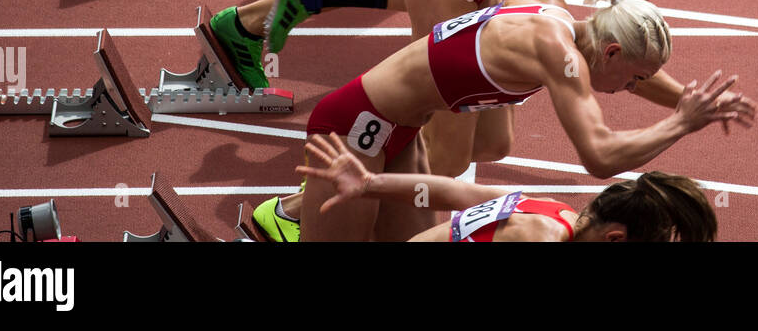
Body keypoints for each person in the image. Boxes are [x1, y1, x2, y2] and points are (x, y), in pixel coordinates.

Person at [272, 0, 752, 241]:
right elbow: (600, 157)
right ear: (608, 53)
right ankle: (285, 215)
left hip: (400, 133)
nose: (627, 89)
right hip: (357, 125)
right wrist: (682, 120)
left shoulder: (550, 2)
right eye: (632, 79)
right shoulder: (557, 56)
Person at [297, 131, 718, 241]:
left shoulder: (553, 210)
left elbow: (455, 193)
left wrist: (371, 182)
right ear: (614, 238)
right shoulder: (539, 235)